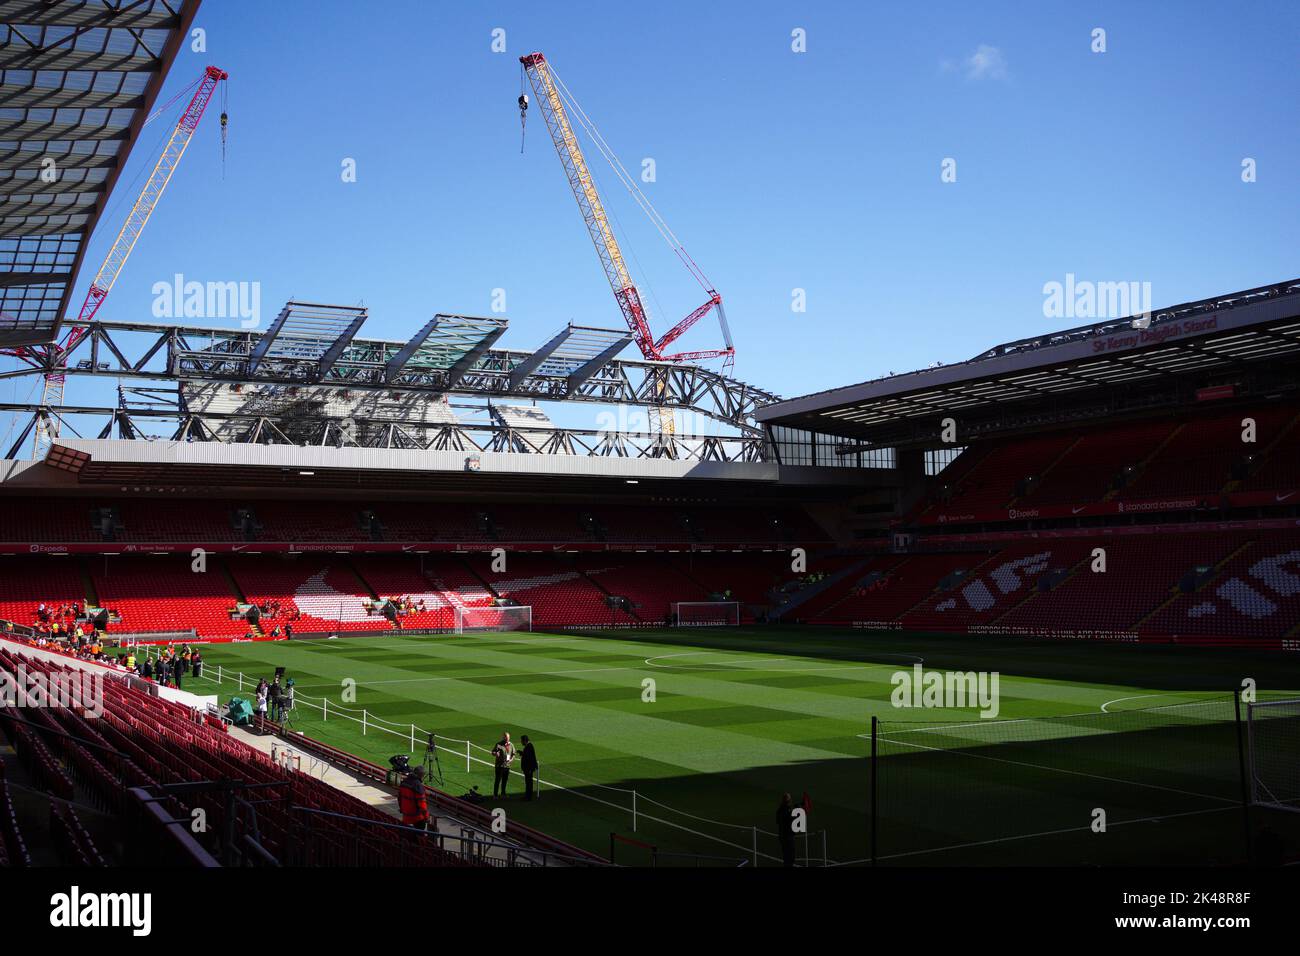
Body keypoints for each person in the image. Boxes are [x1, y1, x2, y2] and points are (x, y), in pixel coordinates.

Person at [398, 766, 430, 832]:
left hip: (406, 814)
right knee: (419, 835)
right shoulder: (418, 785)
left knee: (407, 834)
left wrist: (402, 809)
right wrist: (427, 817)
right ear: (422, 775)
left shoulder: (404, 782)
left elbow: (399, 798)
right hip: (417, 817)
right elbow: (422, 804)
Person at [491, 732, 514, 798]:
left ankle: (503, 793)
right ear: (503, 737)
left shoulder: (511, 745)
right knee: (497, 780)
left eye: (508, 738)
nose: (507, 739)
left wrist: (511, 760)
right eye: (506, 738)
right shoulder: (499, 744)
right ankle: (495, 795)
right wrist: (495, 753)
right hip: (499, 766)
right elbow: (492, 752)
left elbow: (513, 754)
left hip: (507, 766)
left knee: (505, 780)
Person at [776, 793, 796, 868]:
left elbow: (778, 821)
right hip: (788, 836)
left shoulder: (780, 809)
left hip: (782, 835)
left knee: (786, 855)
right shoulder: (787, 810)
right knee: (790, 856)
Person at [519, 735, 538, 801]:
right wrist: (521, 753)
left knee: (529, 782)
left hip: (528, 768)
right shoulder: (528, 746)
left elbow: (530, 758)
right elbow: (527, 755)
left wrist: (530, 769)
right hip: (528, 768)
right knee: (528, 782)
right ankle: (527, 796)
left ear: (525, 740)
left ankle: (528, 797)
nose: (521, 742)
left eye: (522, 741)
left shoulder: (529, 746)